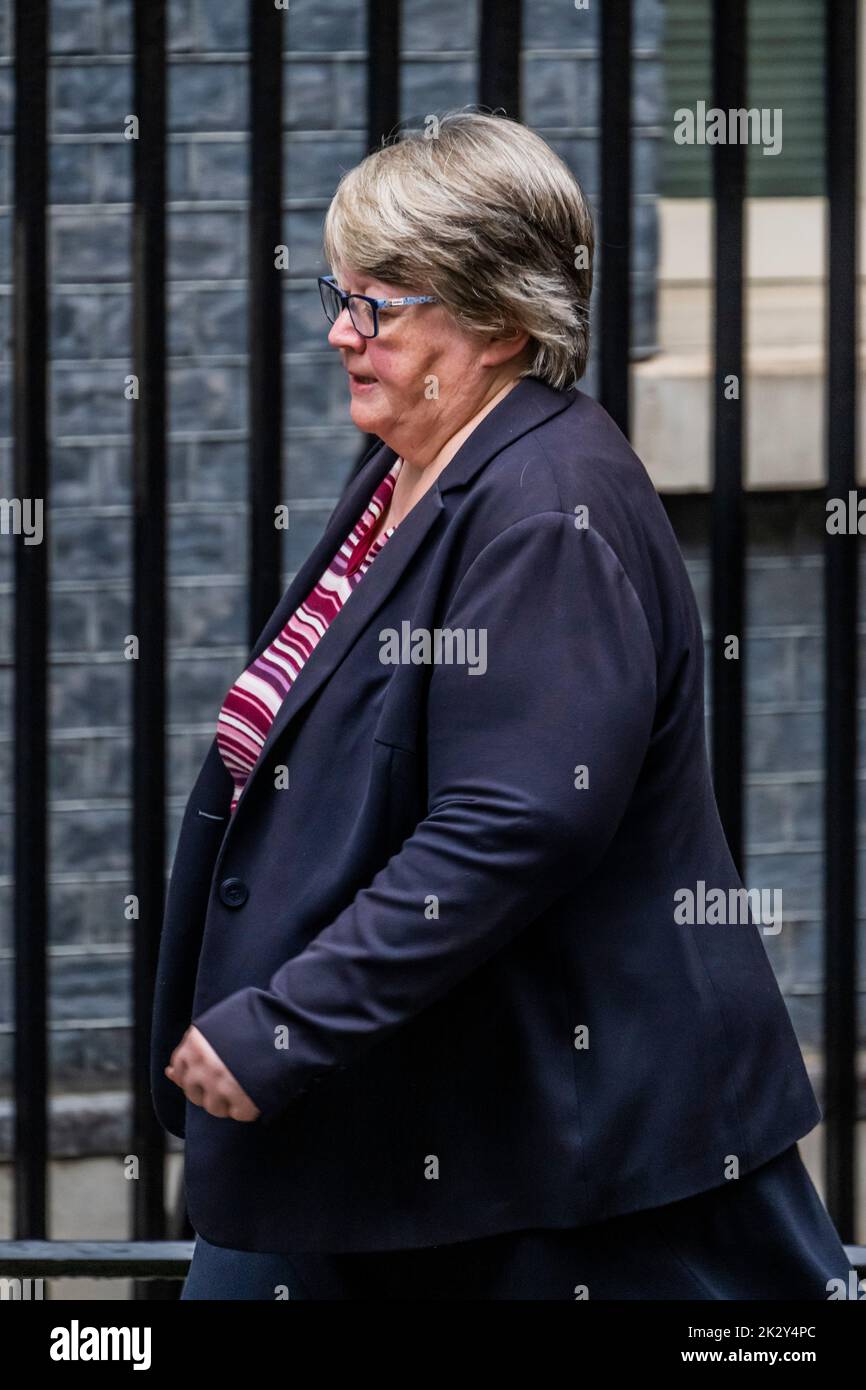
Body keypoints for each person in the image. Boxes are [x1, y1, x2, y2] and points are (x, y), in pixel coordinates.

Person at [150, 109, 856, 1300]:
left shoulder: (545, 507)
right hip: (399, 1139)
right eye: (341, 291)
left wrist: (283, 1023)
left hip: (538, 1160)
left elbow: (513, 822)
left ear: (500, 317)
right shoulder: (413, 467)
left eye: (377, 302)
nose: (339, 331)